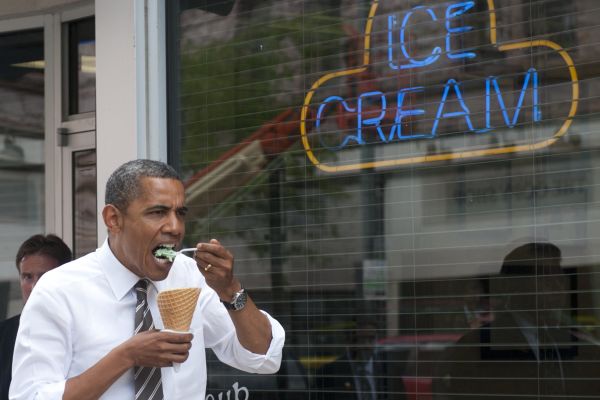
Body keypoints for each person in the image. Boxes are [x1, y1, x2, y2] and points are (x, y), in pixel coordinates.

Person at [10, 159, 285, 400]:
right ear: (113, 219)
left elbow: (263, 358)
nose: (175, 228)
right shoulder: (58, 290)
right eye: (157, 213)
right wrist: (126, 356)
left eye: (180, 213)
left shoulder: (189, 275)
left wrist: (230, 290)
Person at [432, 242, 600, 399]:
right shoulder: (476, 347)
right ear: (515, 284)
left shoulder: (576, 344)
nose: (557, 285)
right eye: (544, 276)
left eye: (559, 276)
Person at [0, 234, 72, 400]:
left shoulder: (82, 329)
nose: (34, 287)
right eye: (27, 277)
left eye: (44, 277)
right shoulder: (3, 334)